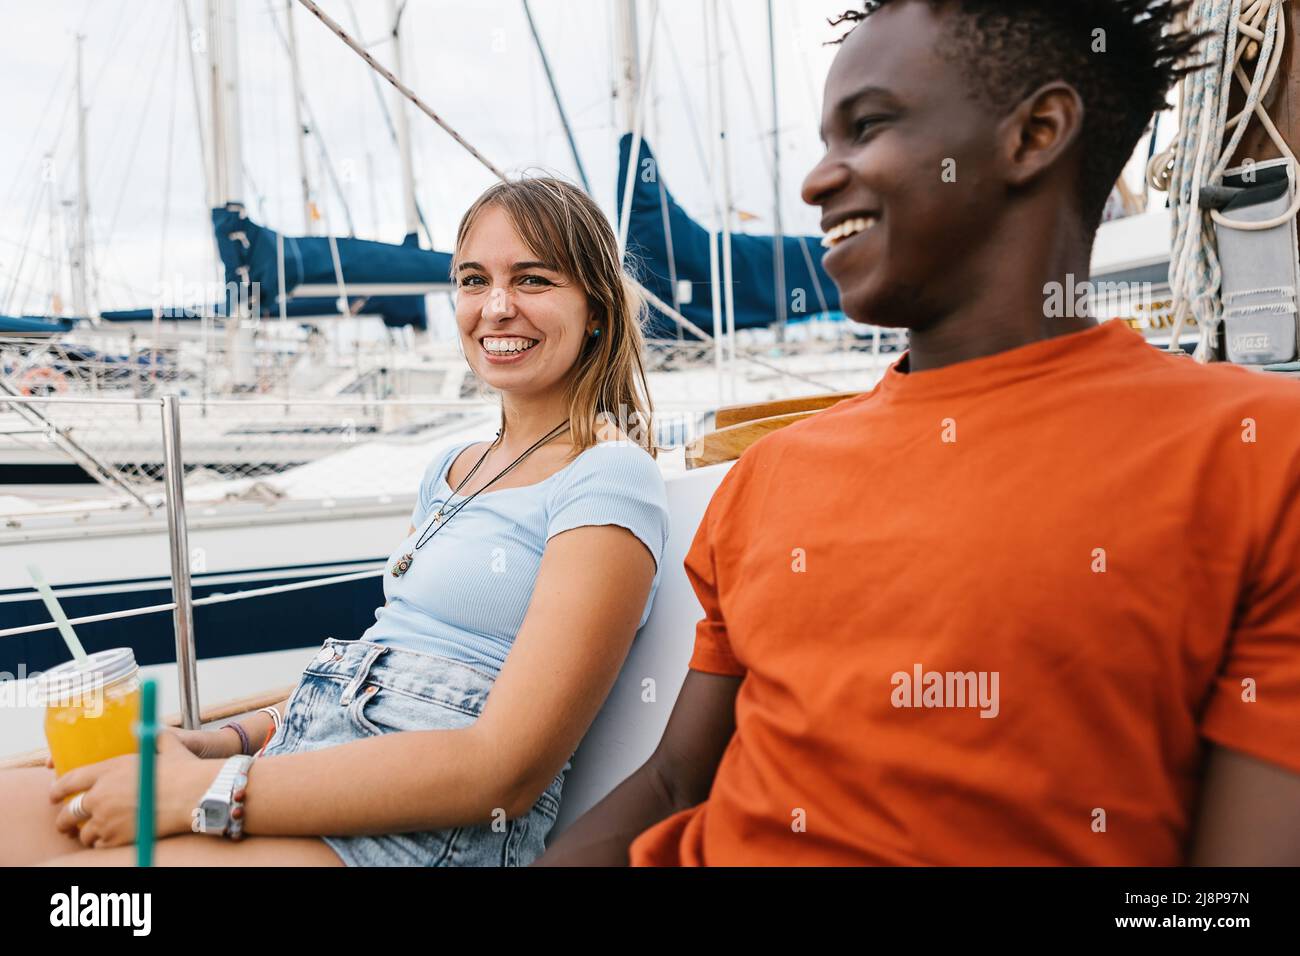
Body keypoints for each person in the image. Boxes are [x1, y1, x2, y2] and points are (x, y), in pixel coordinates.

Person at [538, 0, 1300, 866]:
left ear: (1036, 132)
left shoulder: (1259, 459)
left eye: (867, 127)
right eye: (826, 141)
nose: (817, 180)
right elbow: (677, 783)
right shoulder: (771, 473)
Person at [0, 176, 669, 867]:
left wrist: (201, 789)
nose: (496, 308)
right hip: (302, 764)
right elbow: (382, 670)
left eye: (532, 280)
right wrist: (223, 742)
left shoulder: (607, 475)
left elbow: (498, 771)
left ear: (595, 308)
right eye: (474, 280)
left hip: (419, 828)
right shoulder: (453, 467)